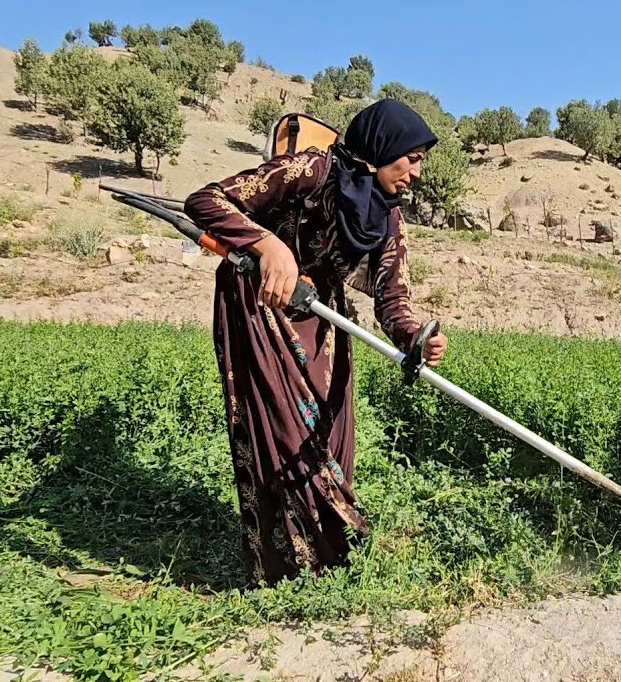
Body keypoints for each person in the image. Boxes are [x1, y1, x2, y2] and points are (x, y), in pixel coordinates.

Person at [183, 99, 448, 587]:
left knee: (326, 433)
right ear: (380, 148)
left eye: (419, 163)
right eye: (410, 158)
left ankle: (327, 560)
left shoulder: (386, 219)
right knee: (282, 431)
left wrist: (415, 336)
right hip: (260, 306)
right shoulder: (311, 170)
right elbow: (205, 201)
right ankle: (284, 571)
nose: (414, 173)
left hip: (323, 320)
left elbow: (393, 299)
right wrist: (267, 245)